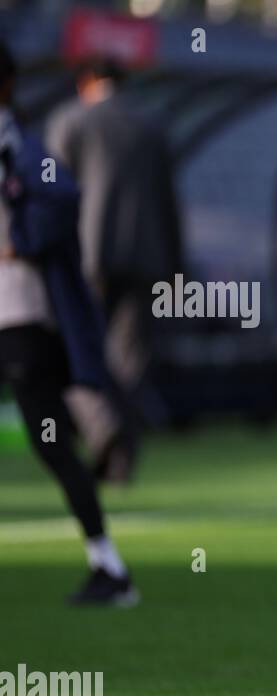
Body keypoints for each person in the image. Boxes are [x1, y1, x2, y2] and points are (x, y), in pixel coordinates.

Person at [0, 40, 136, 606]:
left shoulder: (14, 142)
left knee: (48, 439)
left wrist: (19, 240)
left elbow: (61, 194)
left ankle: (109, 565)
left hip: (20, 315)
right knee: (50, 438)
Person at [44, 56, 184, 482]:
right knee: (130, 362)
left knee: (74, 349)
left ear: (87, 81)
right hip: (146, 260)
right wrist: (176, 266)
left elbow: (51, 194)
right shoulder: (152, 125)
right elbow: (169, 202)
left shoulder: (70, 120)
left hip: (85, 258)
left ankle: (103, 428)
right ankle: (121, 464)